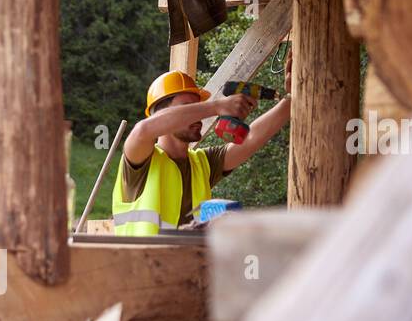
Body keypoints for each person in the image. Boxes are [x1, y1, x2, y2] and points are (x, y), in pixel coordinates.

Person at [112, 62, 292, 235]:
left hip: (183, 265)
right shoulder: (141, 161)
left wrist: (292, 97)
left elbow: (252, 137)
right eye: (188, 109)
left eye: (197, 107)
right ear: (160, 114)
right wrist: (216, 106)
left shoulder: (202, 164)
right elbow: (143, 130)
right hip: (140, 265)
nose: (198, 116)